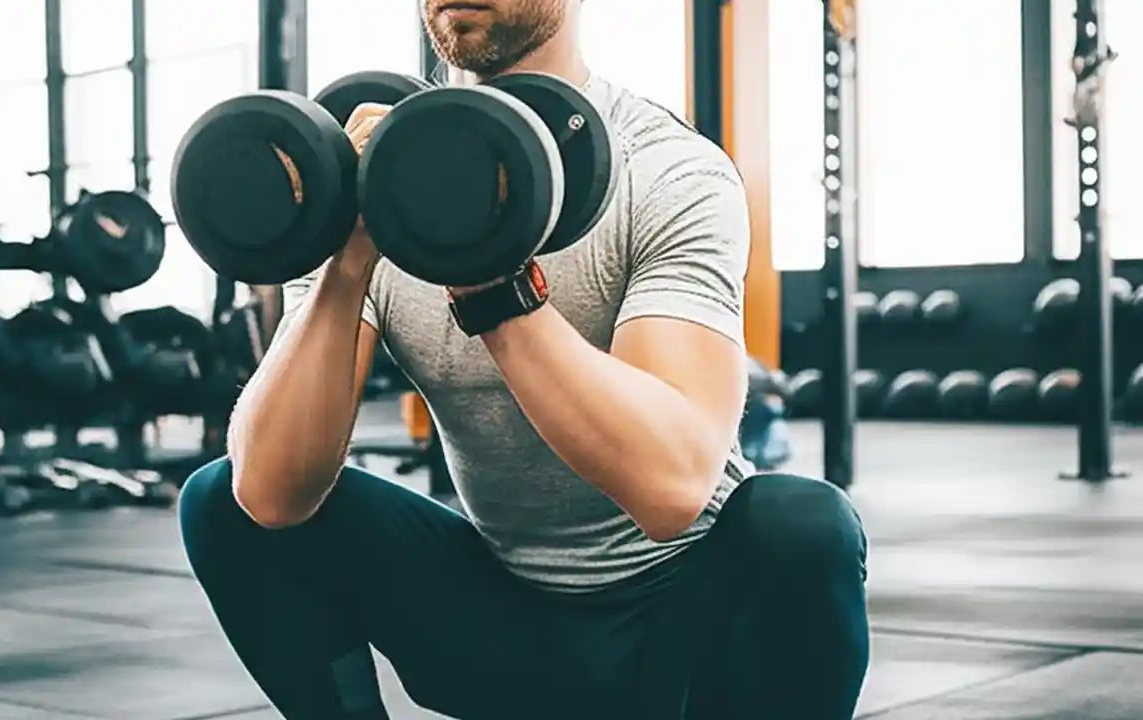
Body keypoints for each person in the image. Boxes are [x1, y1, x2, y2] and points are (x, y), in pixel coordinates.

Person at [178, 1, 870, 718]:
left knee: (803, 527)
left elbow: (673, 490)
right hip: (508, 633)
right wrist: (347, 258)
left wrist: (487, 275)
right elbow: (270, 493)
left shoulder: (667, 171)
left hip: (690, 632)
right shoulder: (373, 175)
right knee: (220, 501)